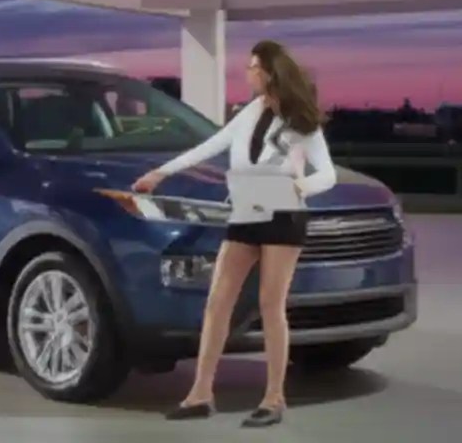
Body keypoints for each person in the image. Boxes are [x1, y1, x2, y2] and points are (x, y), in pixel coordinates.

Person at [133, 39, 336, 429]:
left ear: (269, 72)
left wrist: (299, 188)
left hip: (284, 214)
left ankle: (274, 398)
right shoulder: (248, 114)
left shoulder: (300, 121)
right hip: (246, 211)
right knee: (217, 300)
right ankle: (200, 394)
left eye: (253, 66)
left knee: (269, 305)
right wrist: (162, 172)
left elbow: (325, 173)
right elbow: (210, 146)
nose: (247, 72)